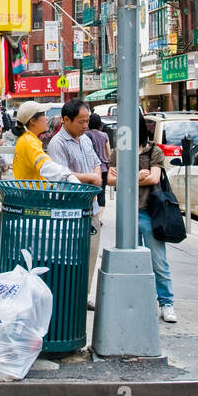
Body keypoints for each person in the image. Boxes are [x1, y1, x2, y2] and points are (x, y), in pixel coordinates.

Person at [48, 101, 115, 311]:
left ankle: (83, 295)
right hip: (70, 211)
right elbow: (62, 176)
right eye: (81, 121)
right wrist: (91, 179)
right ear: (65, 120)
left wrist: (96, 176)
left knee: (90, 254)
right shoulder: (57, 144)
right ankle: (69, 296)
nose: (85, 125)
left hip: (92, 209)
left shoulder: (85, 140)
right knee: (69, 257)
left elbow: (97, 163)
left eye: (87, 121)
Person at [118, 115, 177, 323]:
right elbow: (111, 179)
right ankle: (137, 302)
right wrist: (138, 176)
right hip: (127, 213)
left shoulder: (154, 151)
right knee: (130, 262)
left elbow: (153, 178)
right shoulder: (121, 151)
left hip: (149, 212)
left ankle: (166, 303)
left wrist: (128, 178)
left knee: (158, 261)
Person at [11, 101, 79, 183]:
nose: (47, 118)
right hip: (32, 194)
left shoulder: (26, 139)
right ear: (32, 120)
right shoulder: (29, 142)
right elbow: (45, 165)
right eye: (43, 115)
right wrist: (68, 175)